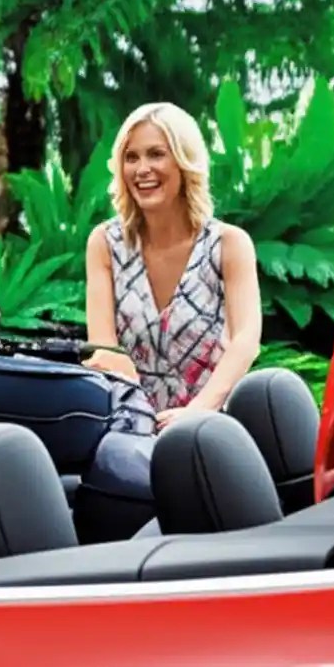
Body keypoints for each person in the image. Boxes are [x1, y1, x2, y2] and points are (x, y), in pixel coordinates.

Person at [83, 102, 261, 430]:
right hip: (126, 430)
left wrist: (198, 412)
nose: (142, 169)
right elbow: (105, 349)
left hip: (210, 427)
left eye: (156, 154)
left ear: (184, 161)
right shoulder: (104, 244)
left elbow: (246, 341)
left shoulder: (229, 245)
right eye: (131, 157)